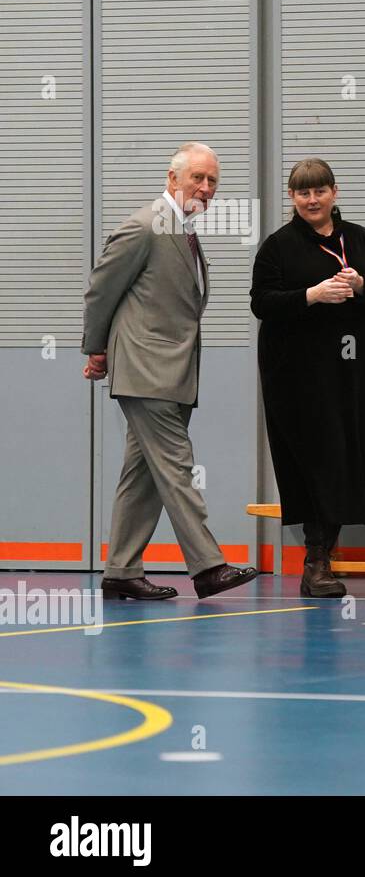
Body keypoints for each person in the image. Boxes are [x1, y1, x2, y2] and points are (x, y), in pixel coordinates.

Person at [82, 142, 258, 600]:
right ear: (171, 178)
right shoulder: (143, 226)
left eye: (212, 181)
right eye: (197, 177)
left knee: (141, 475)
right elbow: (101, 291)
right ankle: (207, 567)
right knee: (177, 467)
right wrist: (96, 350)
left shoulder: (184, 231)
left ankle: (121, 572)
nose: (205, 187)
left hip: (171, 371)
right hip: (146, 370)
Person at [250, 158, 365, 598]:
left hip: (353, 371)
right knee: (316, 461)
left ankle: (321, 561)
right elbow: (261, 303)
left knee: (346, 460)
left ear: (334, 192)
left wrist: (361, 287)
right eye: (302, 193)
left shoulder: (359, 239)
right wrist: (311, 296)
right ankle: (316, 562)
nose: (311, 200)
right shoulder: (277, 247)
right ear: (292, 197)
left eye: (318, 191)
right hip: (297, 376)